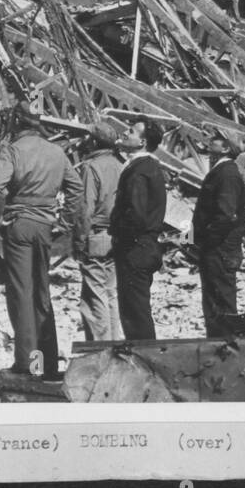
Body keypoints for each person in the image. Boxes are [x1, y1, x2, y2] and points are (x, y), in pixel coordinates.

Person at [0, 97, 82, 378]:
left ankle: (28, 364)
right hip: (44, 226)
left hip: (19, 225)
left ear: (17, 120)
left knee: (22, 293)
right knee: (42, 294)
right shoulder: (55, 151)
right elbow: (76, 189)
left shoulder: (12, 150)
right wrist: (63, 223)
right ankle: (48, 363)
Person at [109, 119, 167, 340]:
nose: (124, 132)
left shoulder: (139, 171)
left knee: (135, 315)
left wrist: (117, 232)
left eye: (130, 131)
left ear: (142, 141)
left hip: (135, 249)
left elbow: (136, 215)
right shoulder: (148, 167)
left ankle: (145, 365)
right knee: (137, 311)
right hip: (145, 247)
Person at [193, 133, 245, 336]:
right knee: (215, 306)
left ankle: (228, 352)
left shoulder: (227, 174)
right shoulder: (222, 171)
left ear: (226, 148)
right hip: (218, 251)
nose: (210, 139)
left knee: (222, 308)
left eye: (216, 138)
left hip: (220, 251)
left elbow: (226, 216)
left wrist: (206, 242)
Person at [75, 120, 124, 342]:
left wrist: (79, 240)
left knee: (95, 296)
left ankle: (101, 350)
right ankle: (115, 344)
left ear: (94, 141)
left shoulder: (91, 167)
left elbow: (86, 208)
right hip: (116, 235)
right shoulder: (121, 166)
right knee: (111, 294)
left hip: (96, 234)